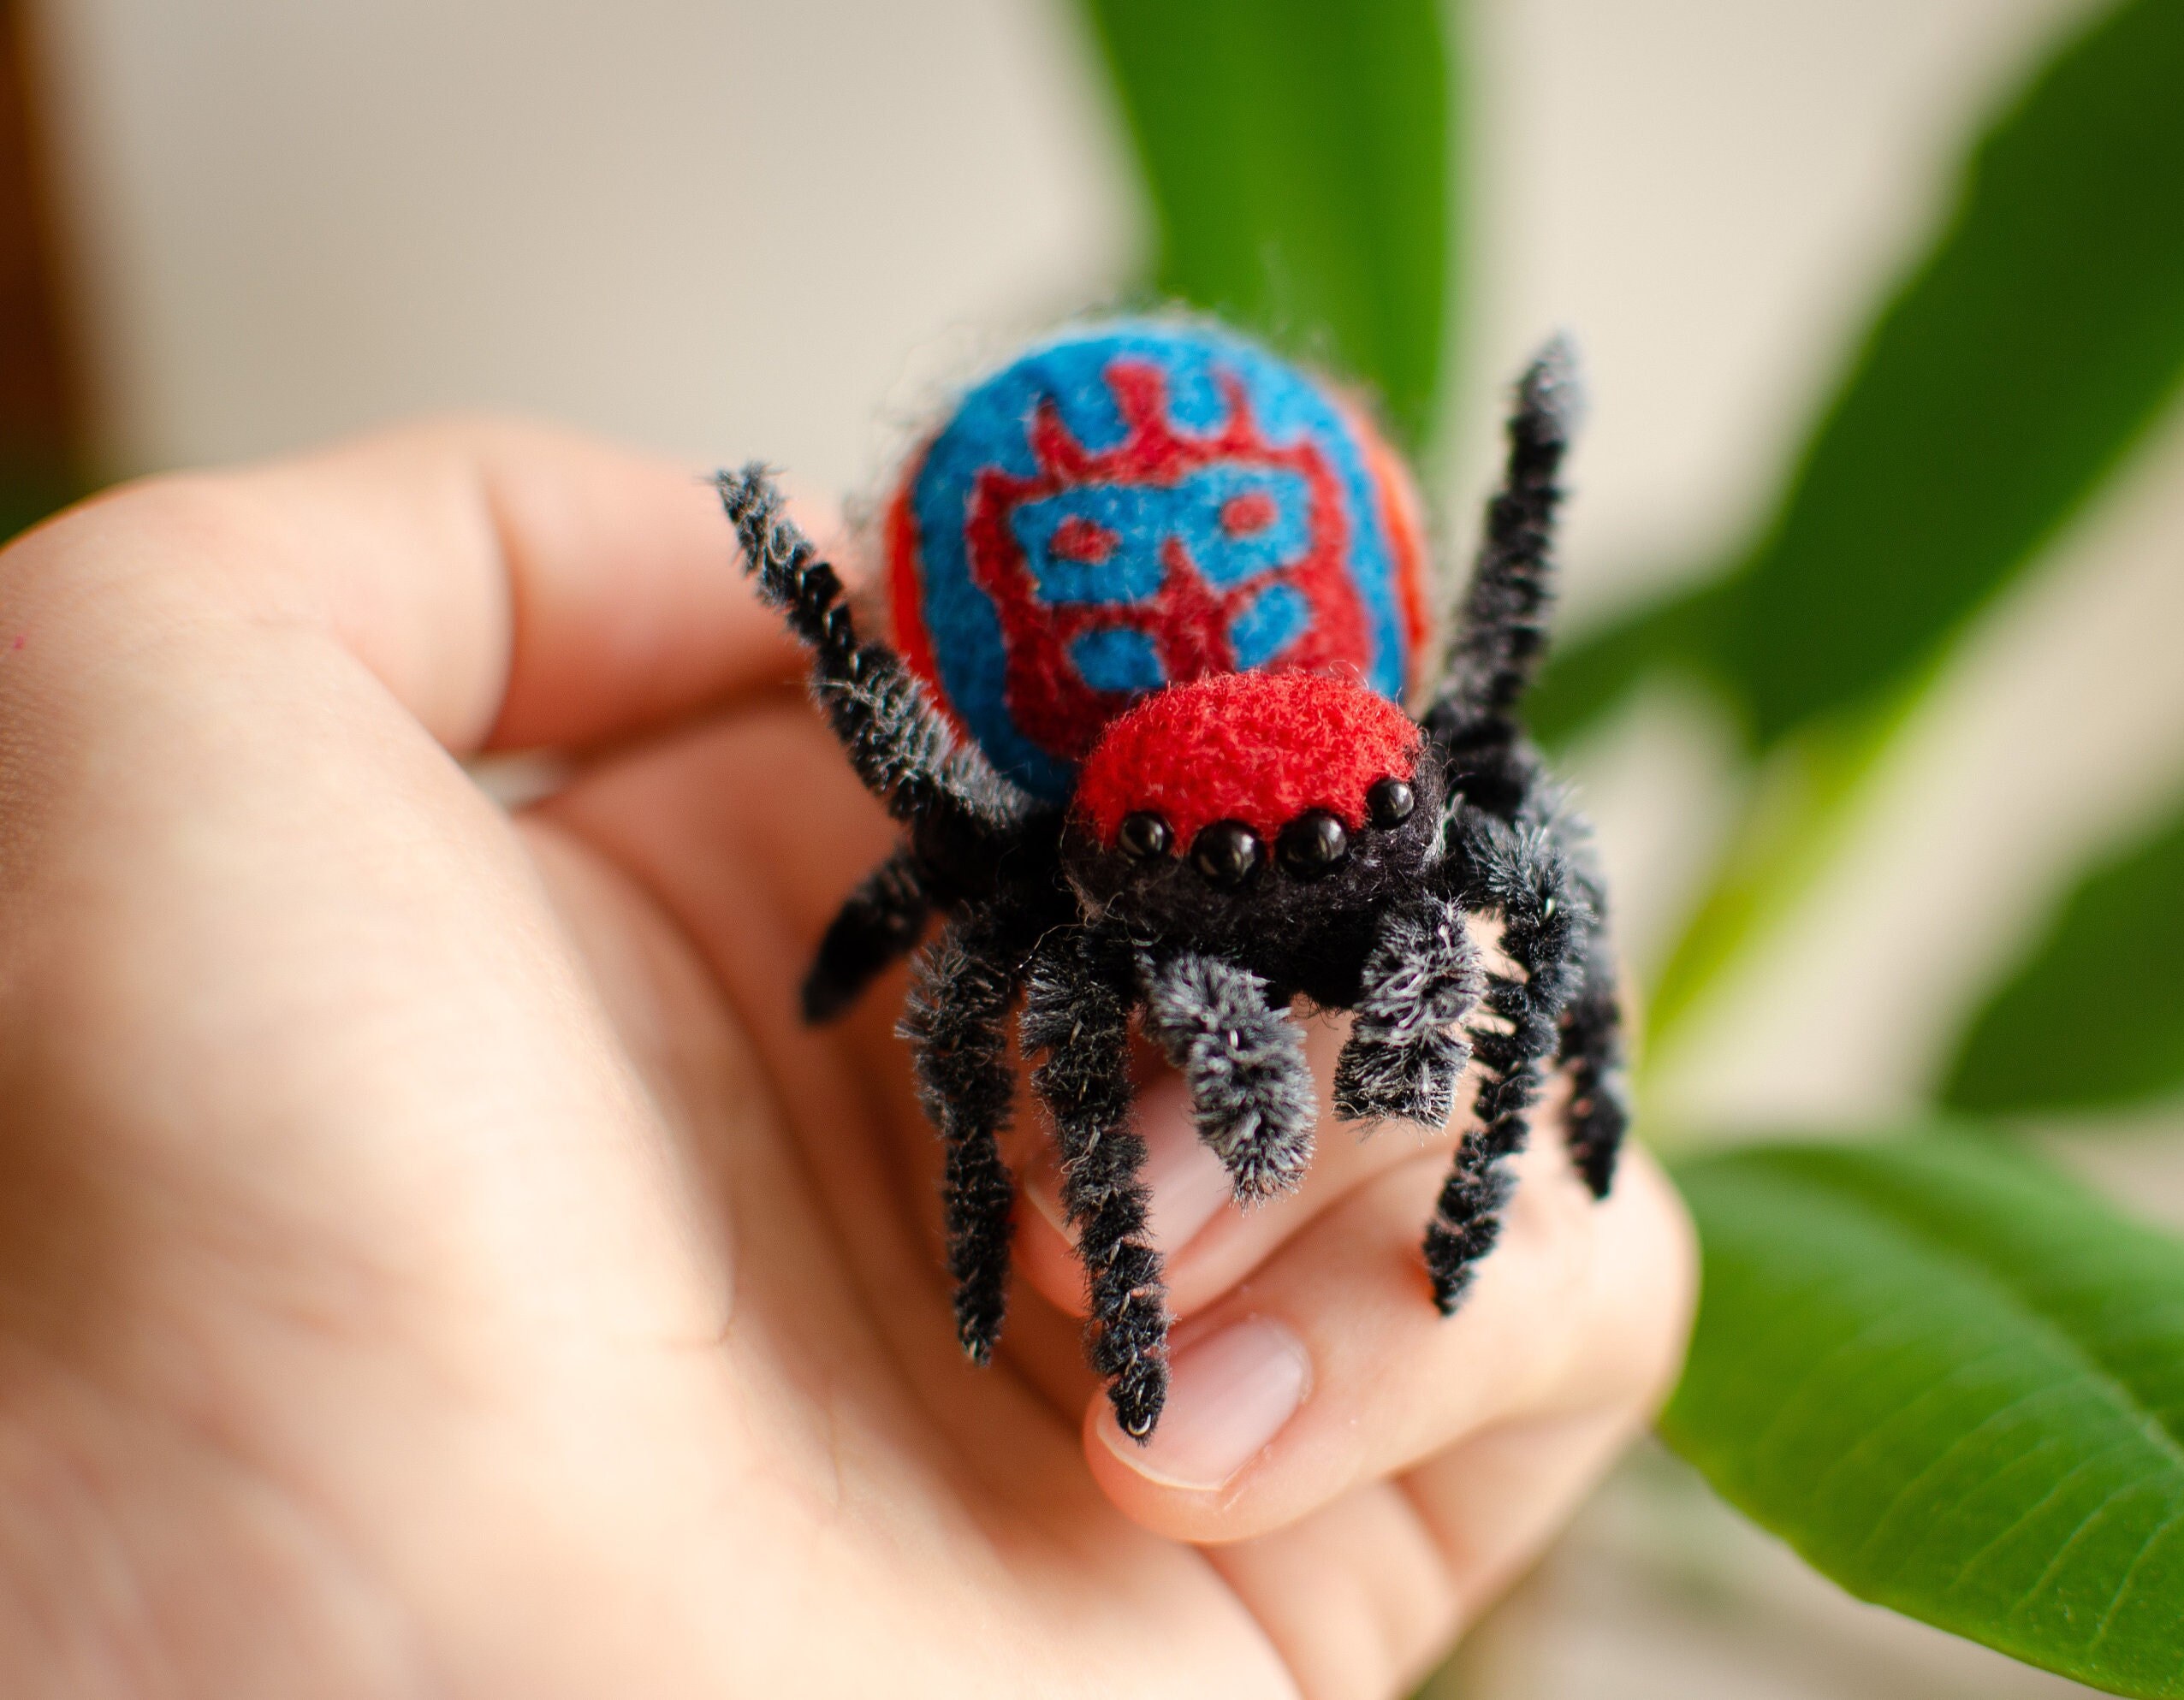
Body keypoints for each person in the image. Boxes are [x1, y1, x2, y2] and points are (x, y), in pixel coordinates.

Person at [0, 418, 1694, 1697]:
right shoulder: (1037, 886)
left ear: (1414, 771)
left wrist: (1525, 1135)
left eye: (1380, 826)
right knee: (1012, 1012)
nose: (1286, 927)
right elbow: (967, 969)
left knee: (1529, 884)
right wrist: (1035, 1236)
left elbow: (1537, 887)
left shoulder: (1425, 817)